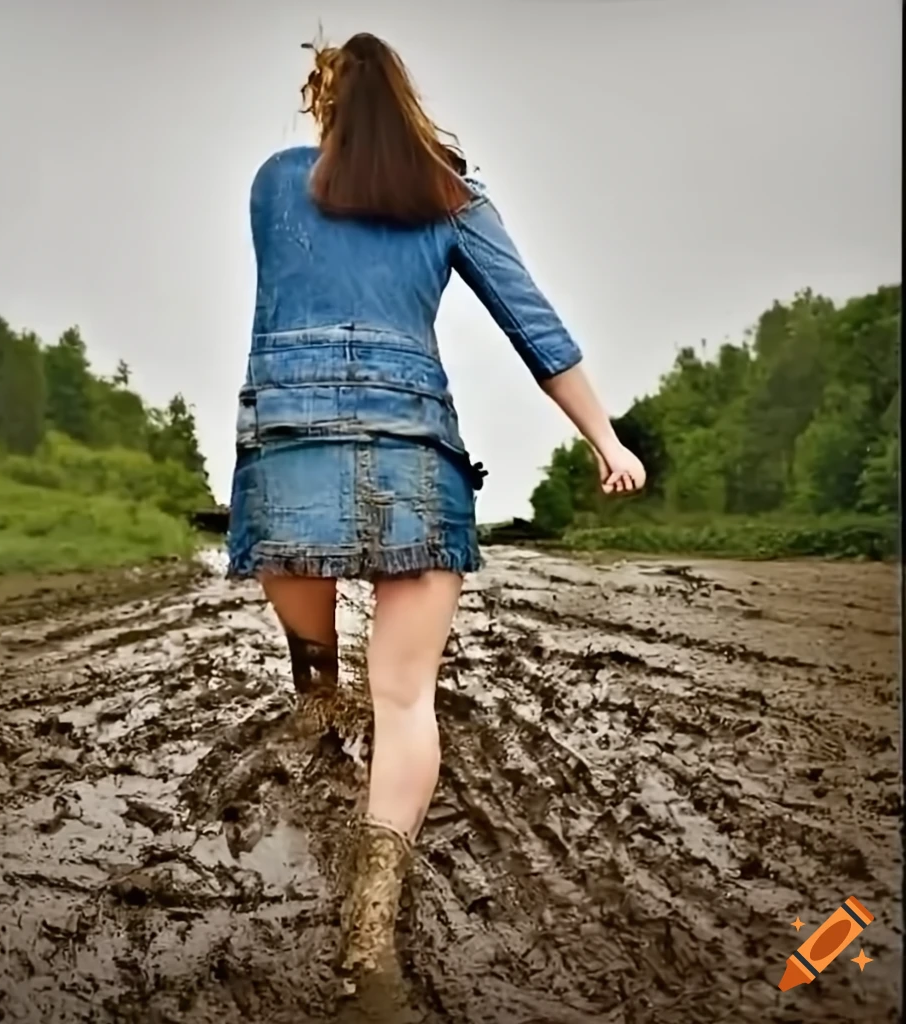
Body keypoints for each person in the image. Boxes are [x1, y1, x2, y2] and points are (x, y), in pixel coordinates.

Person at [226, 31, 646, 991]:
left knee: (313, 633)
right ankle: (369, 939)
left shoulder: (271, 184)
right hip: (416, 452)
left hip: (291, 451)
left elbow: (306, 264)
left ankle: (314, 693)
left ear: (324, 98)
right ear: (409, 106)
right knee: (406, 699)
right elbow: (536, 327)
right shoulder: (452, 194)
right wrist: (606, 441)